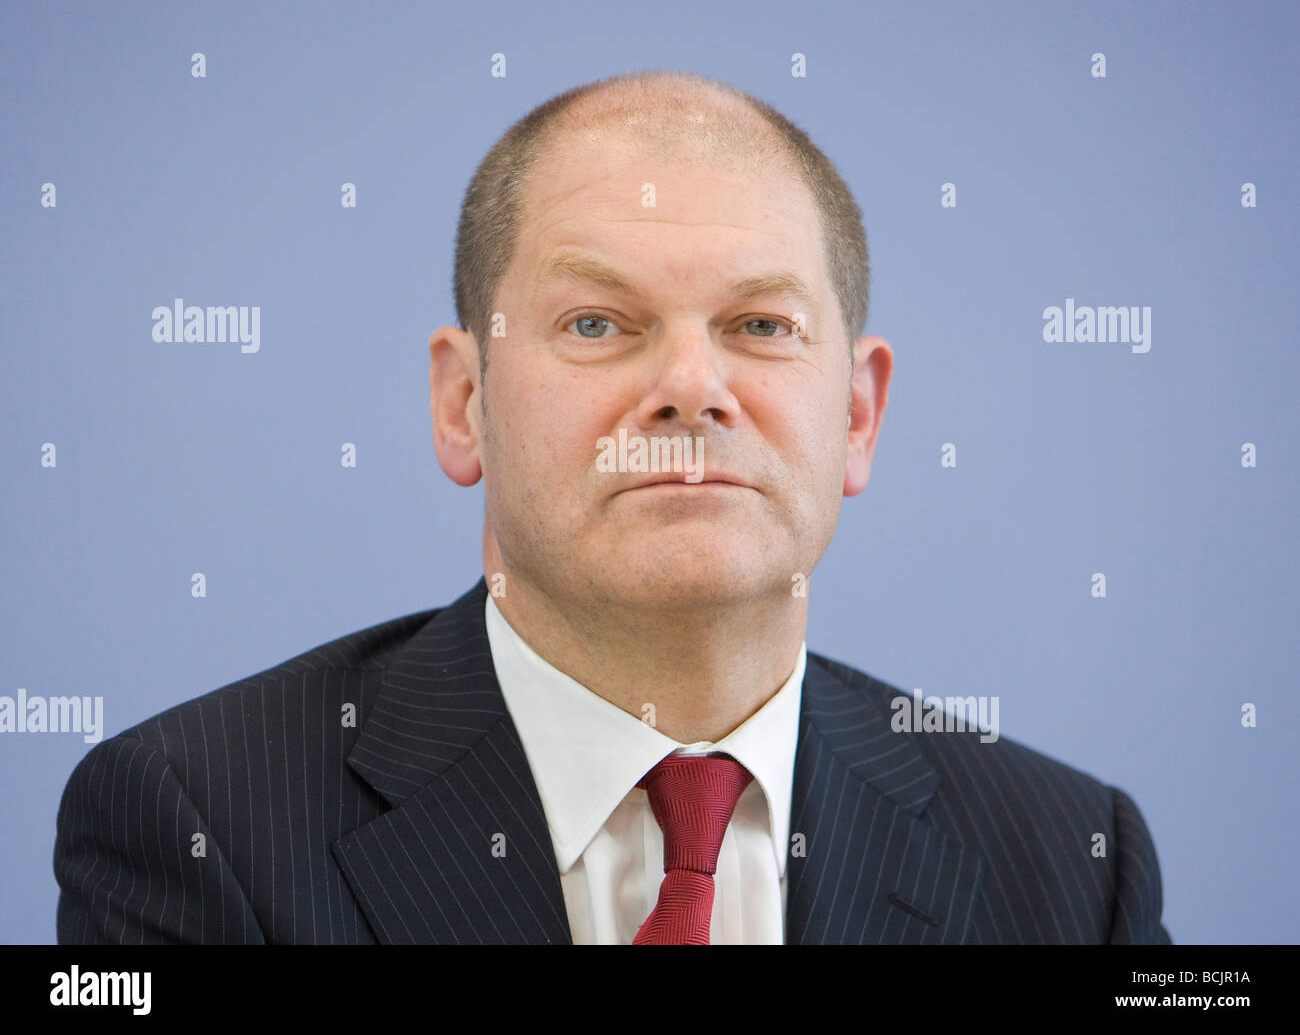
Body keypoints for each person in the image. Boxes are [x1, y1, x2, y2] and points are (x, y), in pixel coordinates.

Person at [54, 68, 1171, 945]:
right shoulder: (198, 819)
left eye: (762, 325)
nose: (691, 384)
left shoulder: (1074, 862)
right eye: (597, 322)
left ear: (858, 416)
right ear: (463, 401)